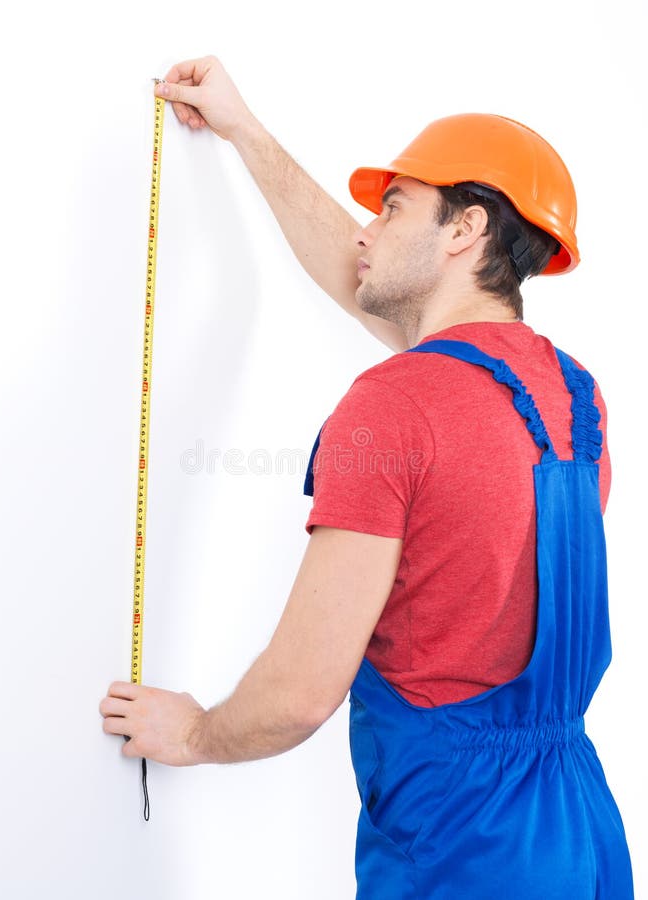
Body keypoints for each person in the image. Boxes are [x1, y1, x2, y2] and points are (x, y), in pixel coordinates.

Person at [99, 56, 634, 898]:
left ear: (464, 230)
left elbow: (301, 694)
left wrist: (196, 733)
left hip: (462, 855)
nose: (363, 231)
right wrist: (245, 130)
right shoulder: (574, 397)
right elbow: (375, 293)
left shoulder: (392, 407)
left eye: (391, 207)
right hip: (583, 834)